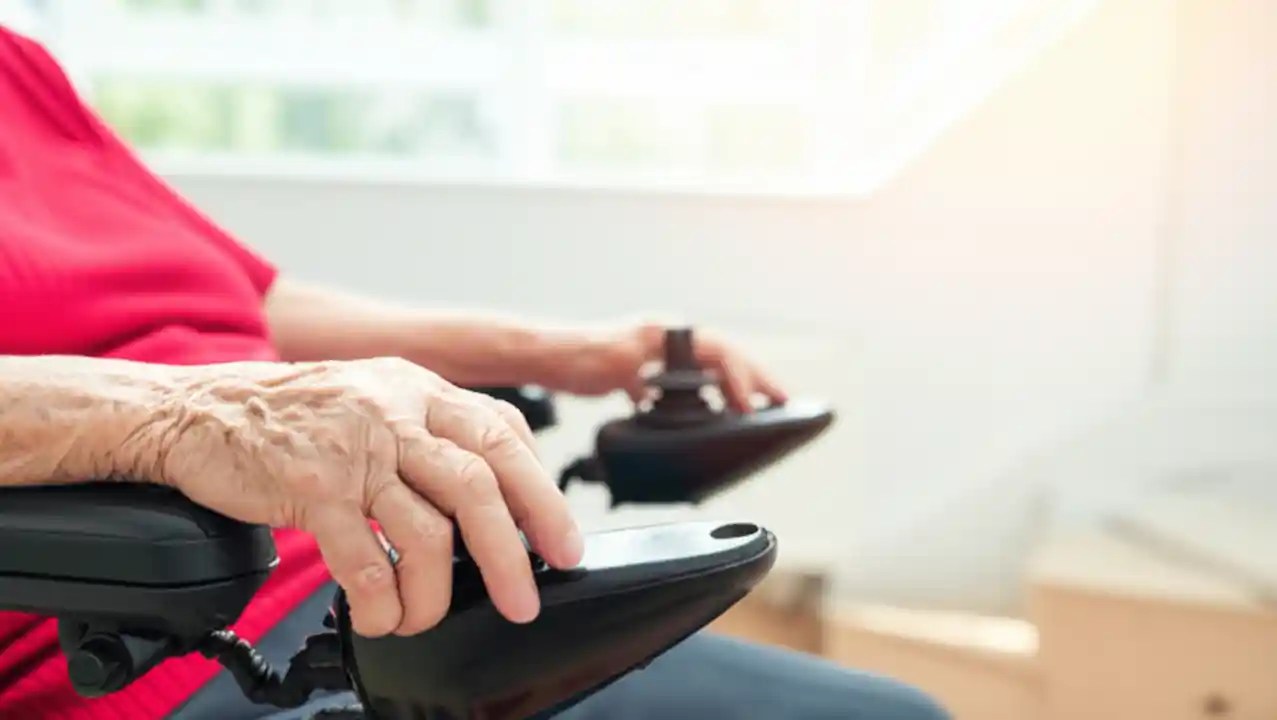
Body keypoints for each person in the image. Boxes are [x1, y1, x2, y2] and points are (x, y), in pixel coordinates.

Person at [0, 24, 948, 720]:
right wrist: (185, 419)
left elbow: (254, 301)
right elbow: (224, 392)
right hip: (161, 658)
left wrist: (572, 352)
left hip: (372, 590)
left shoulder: (20, 70)